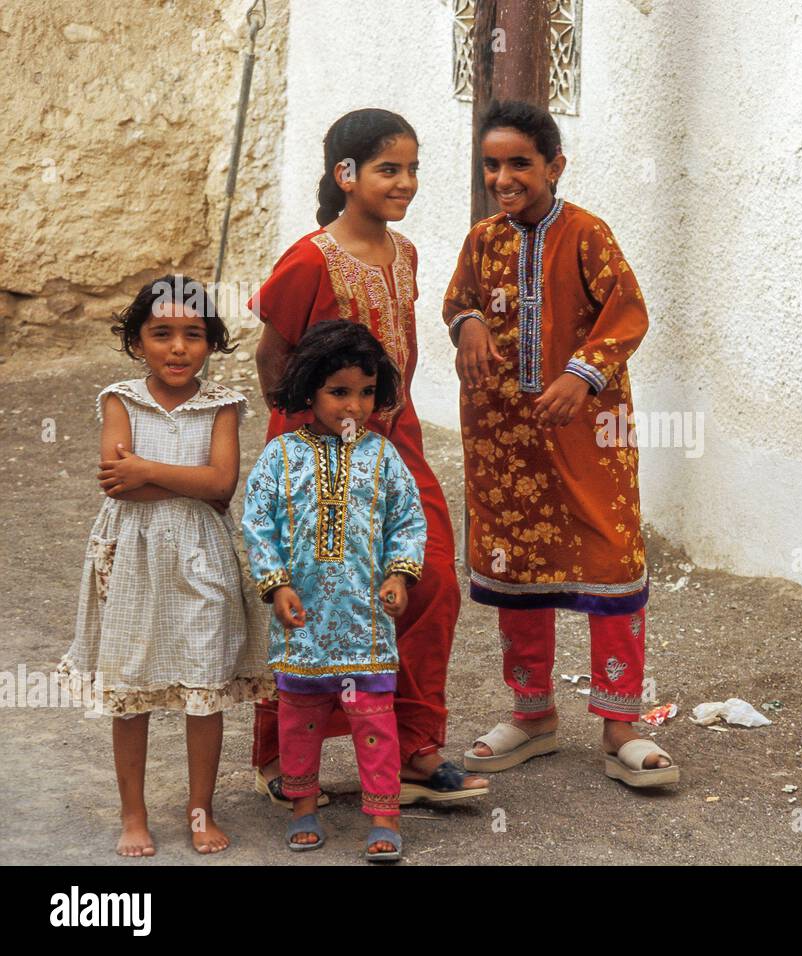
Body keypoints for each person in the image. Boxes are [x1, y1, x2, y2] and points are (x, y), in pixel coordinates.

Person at [250, 108, 488, 805]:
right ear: (345, 175)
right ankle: (280, 759)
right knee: (311, 593)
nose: (406, 182)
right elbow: (273, 359)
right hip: (315, 451)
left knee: (433, 578)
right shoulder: (307, 259)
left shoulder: (406, 255)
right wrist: (312, 443)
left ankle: (412, 746)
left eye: (413, 168)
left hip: (396, 445)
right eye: (390, 169)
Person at [444, 99, 677, 787]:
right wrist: (468, 325)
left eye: (520, 162)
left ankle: (620, 726)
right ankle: (533, 714)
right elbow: (458, 299)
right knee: (516, 569)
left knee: (612, 560)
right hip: (502, 439)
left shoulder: (587, 235)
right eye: (492, 164)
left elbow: (627, 313)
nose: (504, 176)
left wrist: (583, 374)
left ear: (554, 166)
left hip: (585, 433)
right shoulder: (482, 239)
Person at [58, 276, 272, 856]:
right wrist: (181, 482)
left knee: (204, 686)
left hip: (203, 560)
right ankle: (134, 813)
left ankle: (200, 810)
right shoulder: (119, 399)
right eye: (162, 334)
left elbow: (222, 484)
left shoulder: (221, 405)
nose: (178, 348)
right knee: (133, 688)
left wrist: (146, 469)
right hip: (131, 558)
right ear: (136, 342)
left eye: (194, 335)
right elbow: (117, 487)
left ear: (211, 342)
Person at [244, 320, 425, 861]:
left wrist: (398, 574)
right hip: (301, 621)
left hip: (365, 624)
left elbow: (408, 521)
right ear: (309, 391)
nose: (356, 406)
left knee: (374, 715)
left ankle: (383, 812)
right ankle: (302, 807)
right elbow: (258, 524)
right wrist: (276, 586)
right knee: (299, 716)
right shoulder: (279, 457)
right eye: (339, 391)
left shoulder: (382, 456)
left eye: (367, 392)